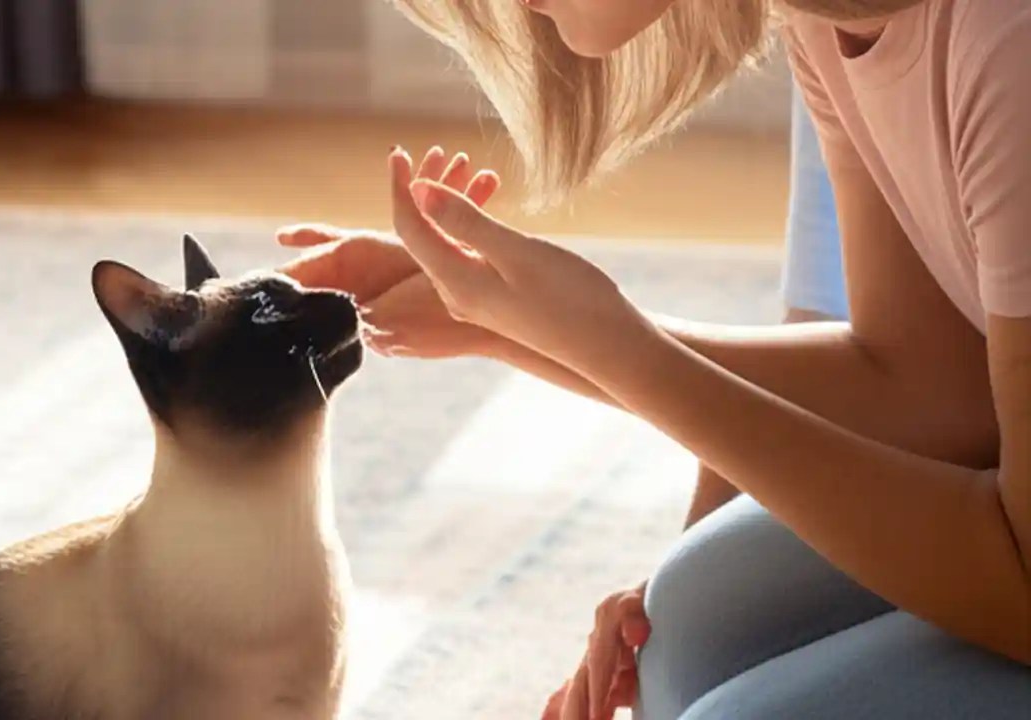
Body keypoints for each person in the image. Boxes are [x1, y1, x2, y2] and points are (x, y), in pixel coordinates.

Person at [278, 0, 1031, 717]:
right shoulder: (828, 24)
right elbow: (926, 389)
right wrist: (503, 322)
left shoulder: (1006, 41)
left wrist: (616, 346)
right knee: (686, 626)